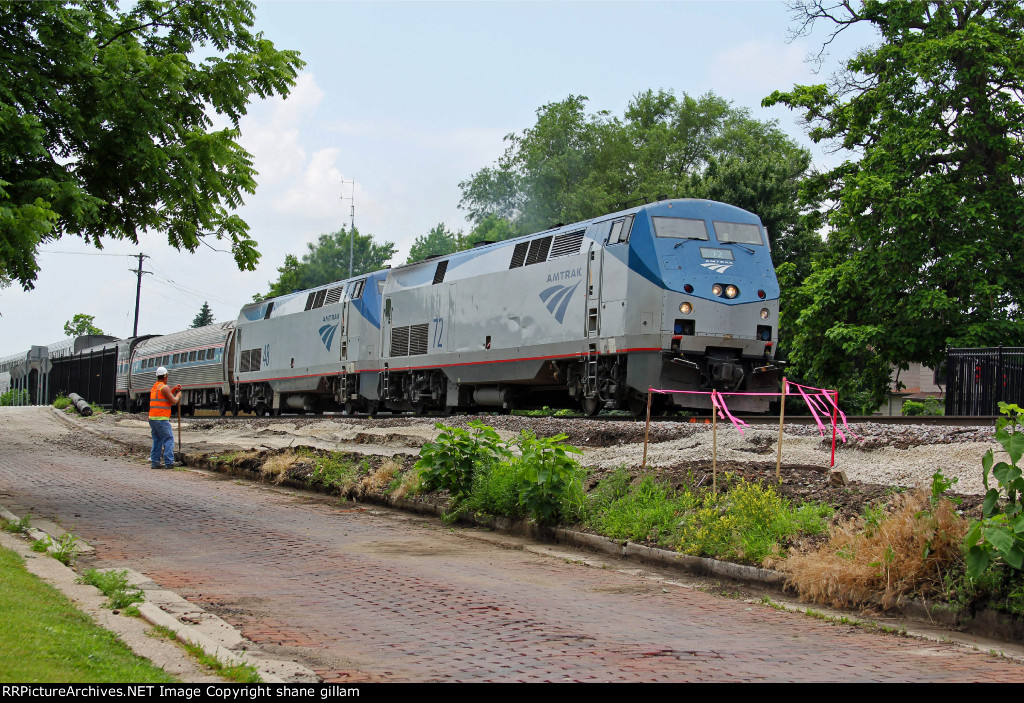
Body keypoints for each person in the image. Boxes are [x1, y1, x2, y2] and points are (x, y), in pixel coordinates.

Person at [150, 367, 183, 469]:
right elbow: (173, 400)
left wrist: (172, 390)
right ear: (165, 376)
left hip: (153, 418)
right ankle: (169, 462)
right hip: (161, 419)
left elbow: (164, 396)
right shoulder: (164, 387)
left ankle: (155, 461)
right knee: (168, 439)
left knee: (157, 440)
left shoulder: (155, 386)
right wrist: (178, 395)